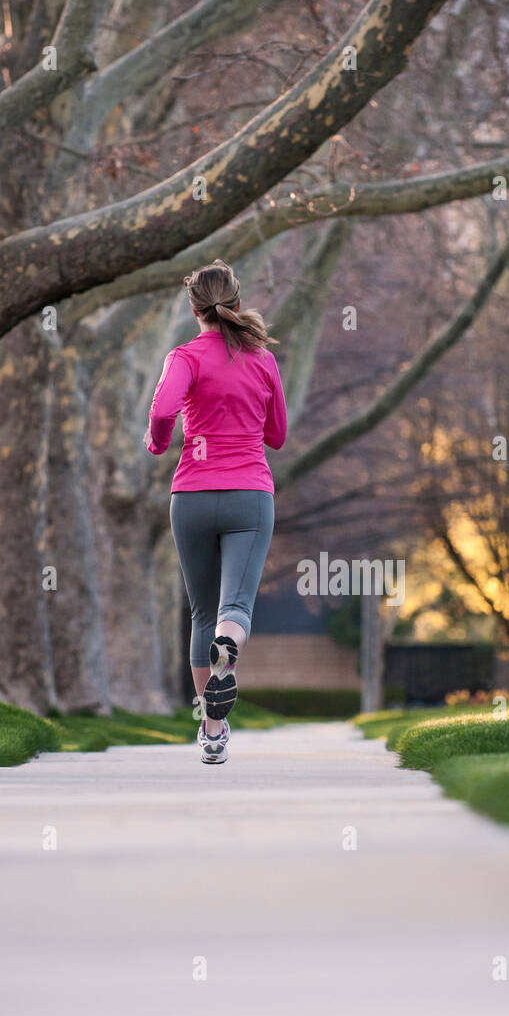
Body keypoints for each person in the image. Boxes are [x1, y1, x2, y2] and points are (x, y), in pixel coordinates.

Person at [144, 259, 287, 765]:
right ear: (238, 303)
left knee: (202, 612)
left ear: (193, 308)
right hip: (249, 494)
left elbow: (162, 412)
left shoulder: (184, 356)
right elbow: (278, 435)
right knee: (234, 610)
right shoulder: (263, 360)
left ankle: (212, 728)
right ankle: (229, 650)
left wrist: (159, 443)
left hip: (192, 497)